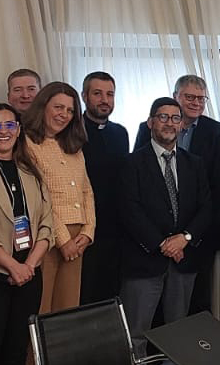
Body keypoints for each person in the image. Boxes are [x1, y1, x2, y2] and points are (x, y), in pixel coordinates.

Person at [121, 98, 216, 357]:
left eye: (175, 118)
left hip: (183, 261)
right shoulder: (132, 163)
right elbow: (130, 210)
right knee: (136, 333)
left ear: (182, 125)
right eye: (162, 117)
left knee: (178, 333)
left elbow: (206, 207)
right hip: (145, 261)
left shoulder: (194, 163)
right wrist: (163, 244)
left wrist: (184, 238)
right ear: (151, 122)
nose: (169, 123)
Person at [132, 74, 220, 314]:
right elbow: (138, 183)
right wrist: (163, 241)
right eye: (189, 97)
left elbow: (217, 189)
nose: (195, 102)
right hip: (153, 241)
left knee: (194, 308)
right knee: (149, 314)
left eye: (200, 98)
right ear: (176, 97)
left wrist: (186, 236)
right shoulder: (151, 128)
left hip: (198, 237)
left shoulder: (216, 132)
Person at [0, 104, 55, 365]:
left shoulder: (31, 171)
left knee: (18, 349)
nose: (3, 131)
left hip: (30, 275)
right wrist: (12, 267)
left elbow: (47, 222)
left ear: (18, 130)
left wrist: (28, 266)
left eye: (9, 125)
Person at [22, 82, 97, 313]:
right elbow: (39, 196)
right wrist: (63, 238)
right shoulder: (27, 142)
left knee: (68, 305)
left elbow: (87, 190)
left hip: (78, 236)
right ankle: (36, 352)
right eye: (58, 107)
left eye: (70, 110)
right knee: (42, 306)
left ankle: (63, 351)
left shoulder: (73, 146)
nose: (63, 115)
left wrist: (88, 231)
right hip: (48, 234)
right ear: (43, 106)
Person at [79, 72, 132, 305]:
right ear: (84, 96)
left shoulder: (120, 133)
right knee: (84, 294)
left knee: (112, 295)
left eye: (110, 94)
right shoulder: (72, 131)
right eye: (97, 93)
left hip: (116, 229)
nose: (104, 100)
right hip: (83, 228)